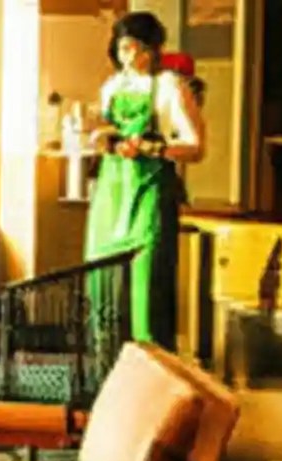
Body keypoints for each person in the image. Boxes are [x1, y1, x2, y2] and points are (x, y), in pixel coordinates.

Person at [86, 12, 205, 351]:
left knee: (147, 280)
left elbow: (196, 147)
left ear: (154, 49)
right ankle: (105, 360)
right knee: (103, 276)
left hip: (151, 187)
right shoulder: (110, 88)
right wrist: (101, 138)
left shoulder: (171, 86)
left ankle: (154, 363)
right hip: (112, 190)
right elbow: (108, 132)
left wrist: (155, 147)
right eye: (123, 49)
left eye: (137, 48)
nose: (130, 57)